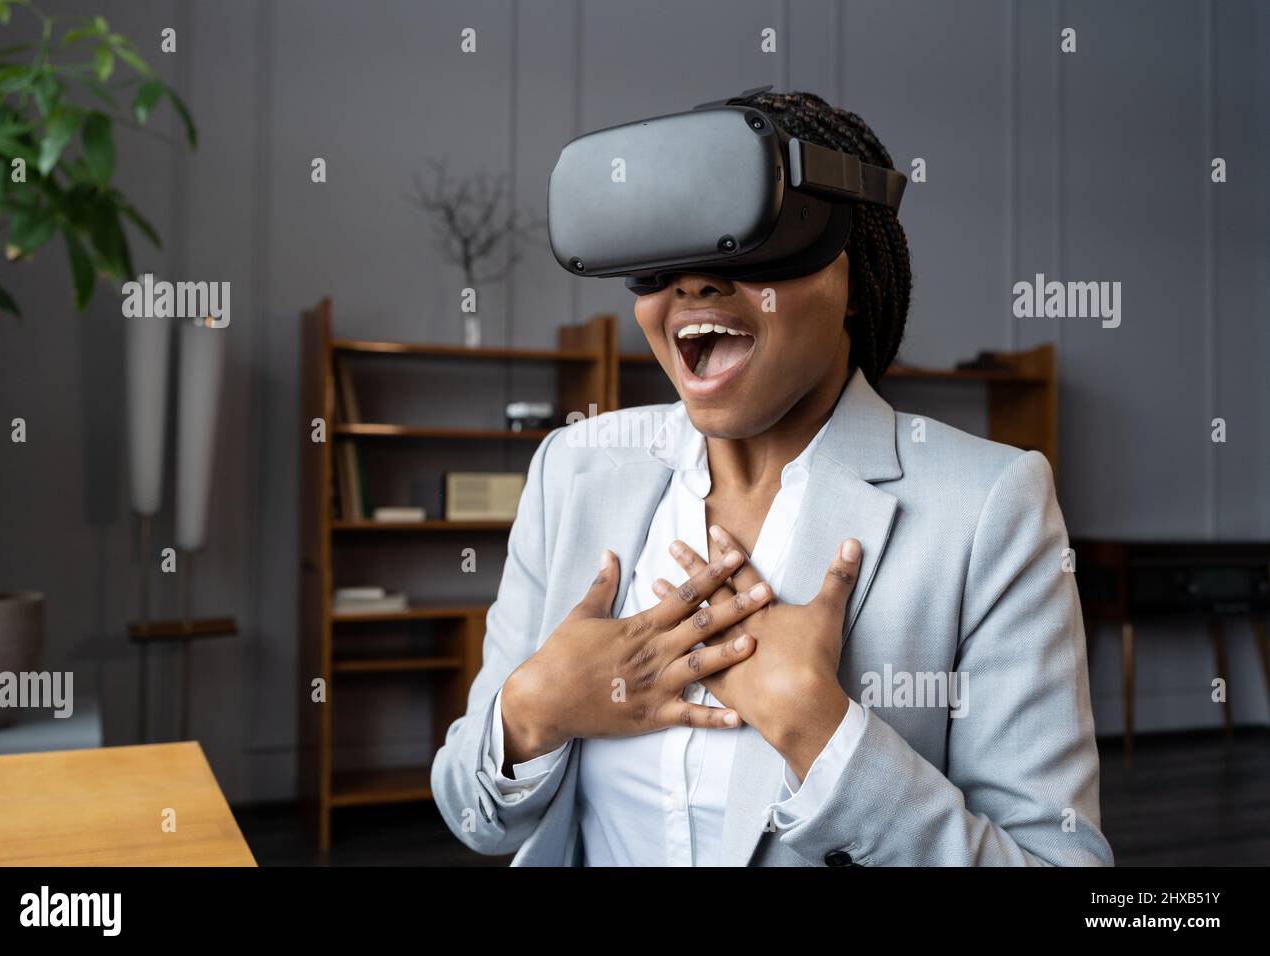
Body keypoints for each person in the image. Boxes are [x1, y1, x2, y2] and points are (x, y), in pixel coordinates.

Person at [431, 90, 1112, 867]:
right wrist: (533, 708)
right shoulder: (574, 467)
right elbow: (472, 815)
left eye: (744, 246)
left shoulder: (989, 506)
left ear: (849, 276)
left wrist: (820, 732)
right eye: (665, 260)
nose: (694, 285)